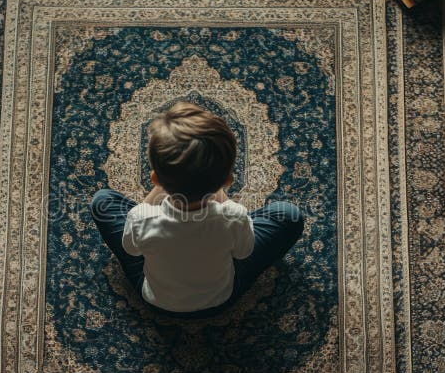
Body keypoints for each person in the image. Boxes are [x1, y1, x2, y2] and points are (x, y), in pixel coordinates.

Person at [90, 101, 304, 317]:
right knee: (289, 216)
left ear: (155, 178)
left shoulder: (141, 218)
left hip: (157, 301)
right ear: (228, 180)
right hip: (220, 299)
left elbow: (131, 250)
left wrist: (161, 187)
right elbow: (243, 253)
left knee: (102, 201)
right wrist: (214, 186)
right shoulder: (234, 217)